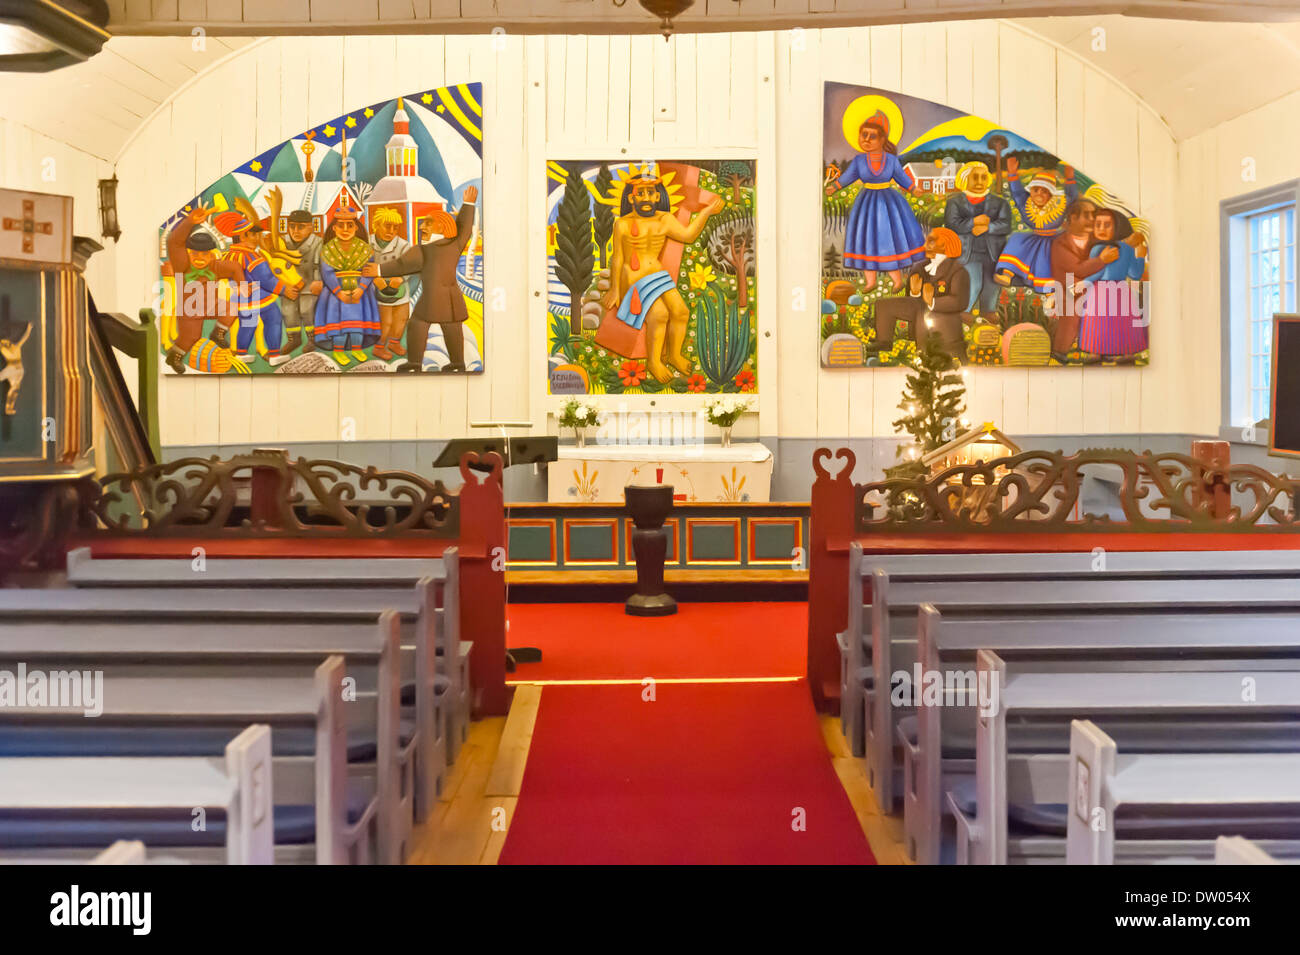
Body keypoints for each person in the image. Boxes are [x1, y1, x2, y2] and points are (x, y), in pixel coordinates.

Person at [376, 186, 479, 372]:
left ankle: (415, 363)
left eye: (428, 223)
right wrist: (468, 204)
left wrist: (378, 269)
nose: (422, 227)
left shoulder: (422, 251)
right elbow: (464, 227)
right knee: (452, 329)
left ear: (442, 226)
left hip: (431, 299)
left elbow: (400, 265)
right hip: (452, 300)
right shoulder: (455, 245)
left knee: (417, 325)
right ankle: (457, 363)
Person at [824, 111, 926, 292]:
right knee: (867, 240)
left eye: (872, 136)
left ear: (882, 140)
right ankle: (870, 282)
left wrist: (913, 188)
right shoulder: (859, 160)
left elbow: (902, 177)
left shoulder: (892, 160)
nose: (866, 140)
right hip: (866, 205)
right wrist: (835, 187)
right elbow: (848, 177)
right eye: (863, 135)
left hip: (889, 205)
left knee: (888, 241)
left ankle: (897, 281)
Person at [161, 204, 242, 373]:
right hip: (190, 310)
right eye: (195, 254)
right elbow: (174, 242)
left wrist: (241, 284)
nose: (199, 258)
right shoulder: (182, 265)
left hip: (211, 305)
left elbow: (235, 267)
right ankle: (174, 356)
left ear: (211, 254)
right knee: (190, 337)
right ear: (188, 253)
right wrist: (189, 222)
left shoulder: (215, 265)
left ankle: (218, 332)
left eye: (204, 254)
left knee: (231, 307)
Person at [870, 227, 972, 359]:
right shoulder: (920, 267)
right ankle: (884, 342)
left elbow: (959, 301)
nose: (925, 246)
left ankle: (922, 352)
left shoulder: (958, 271)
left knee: (922, 312)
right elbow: (910, 296)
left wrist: (932, 302)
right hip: (919, 305)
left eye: (931, 242)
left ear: (946, 244)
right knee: (883, 305)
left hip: (940, 313)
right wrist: (914, 292)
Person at [994, 157, 1078, 291]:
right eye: (1036, 190)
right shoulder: (1025, 203)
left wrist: (1069, 178)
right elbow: (1016, 192)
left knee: (1046, 260)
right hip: (1035, 238)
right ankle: (1007, 273)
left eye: (1044, 191)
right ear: (1030, 191)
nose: (1039, 194)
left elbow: (1072, 197)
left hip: (1054, 239)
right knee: (1017, 239)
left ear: (1051, 194)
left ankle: (1050, 288)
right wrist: (1012, 173)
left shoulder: (1060, 205)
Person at [1048, 198, 1118, 355]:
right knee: (1071, 315)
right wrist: (1101, 260)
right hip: (1069, 291)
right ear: (1073, 217)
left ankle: (1104, 350)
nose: (1092, 220)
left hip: (1096, 288)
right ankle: (1060, 352)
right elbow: (1076, 269)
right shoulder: (1060, 244)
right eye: (1087, 215)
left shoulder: (1098, 240)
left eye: (1094, 215)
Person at [1077, 207, 1149, 359]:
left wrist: (1085, 282)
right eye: (1098, 225)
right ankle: (1125, 352)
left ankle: (1097, 351)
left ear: (1117, 228)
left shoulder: (1098, 248)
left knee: (1104, 321)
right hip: (1119, 290)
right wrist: (1141, 256)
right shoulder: (1127, 249)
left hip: (1101, 290)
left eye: (1107, 225)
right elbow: (1134, 274)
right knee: (1117, 321)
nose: (1101, 229)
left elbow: (1098, 271)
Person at [943, 161, 1012, 317]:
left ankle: (988, 310)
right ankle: (965, 310)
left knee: (992, 283)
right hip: (968, 252)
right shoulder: (954, 202)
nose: (980, 182)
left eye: (983, 177)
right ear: (966, 179)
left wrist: (988, 227)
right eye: (975, 177)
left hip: (992, 251)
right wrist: (973, 222)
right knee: (972, 282)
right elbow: (952, 224)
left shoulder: (999, 203)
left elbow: (1005, 225)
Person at [313, 206, 380, 366]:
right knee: (338, 324)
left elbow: (369, 271)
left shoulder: (366, 250)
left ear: (356, 228)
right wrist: (339, 292)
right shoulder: (327, 250)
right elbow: (327, 273)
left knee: (357, 324)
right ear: (334, 228)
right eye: (340, 225)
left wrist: (361, 289)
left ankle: (357, 348)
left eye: (349, 225)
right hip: (334, 295)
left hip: (361, 293)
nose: (345, 229)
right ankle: (338, 351)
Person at [369, 207, 413, 361]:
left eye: (395, 227)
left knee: (401, 319)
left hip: (400, 288)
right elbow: (363, 266)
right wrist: (374, 280)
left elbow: (409, 265)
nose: (392, 231)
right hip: (379, 289)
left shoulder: (403, 245)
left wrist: (401, 278)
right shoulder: (368, 243)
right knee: (385, 321)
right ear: (376, 225)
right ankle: (379, 347)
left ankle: (394, 343)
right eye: (387, 226)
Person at [281, 209, 321, 353]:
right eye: (292, 226)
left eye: (301, 227)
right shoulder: (282, 242)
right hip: (289, 286)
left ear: (311, 227)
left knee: (307, 311)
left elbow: (318, 264)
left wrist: (318, 281)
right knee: (288, 312)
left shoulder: (317, 243)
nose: (295, 231)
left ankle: (313, 339)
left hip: (308, 285)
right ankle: (294, 339)